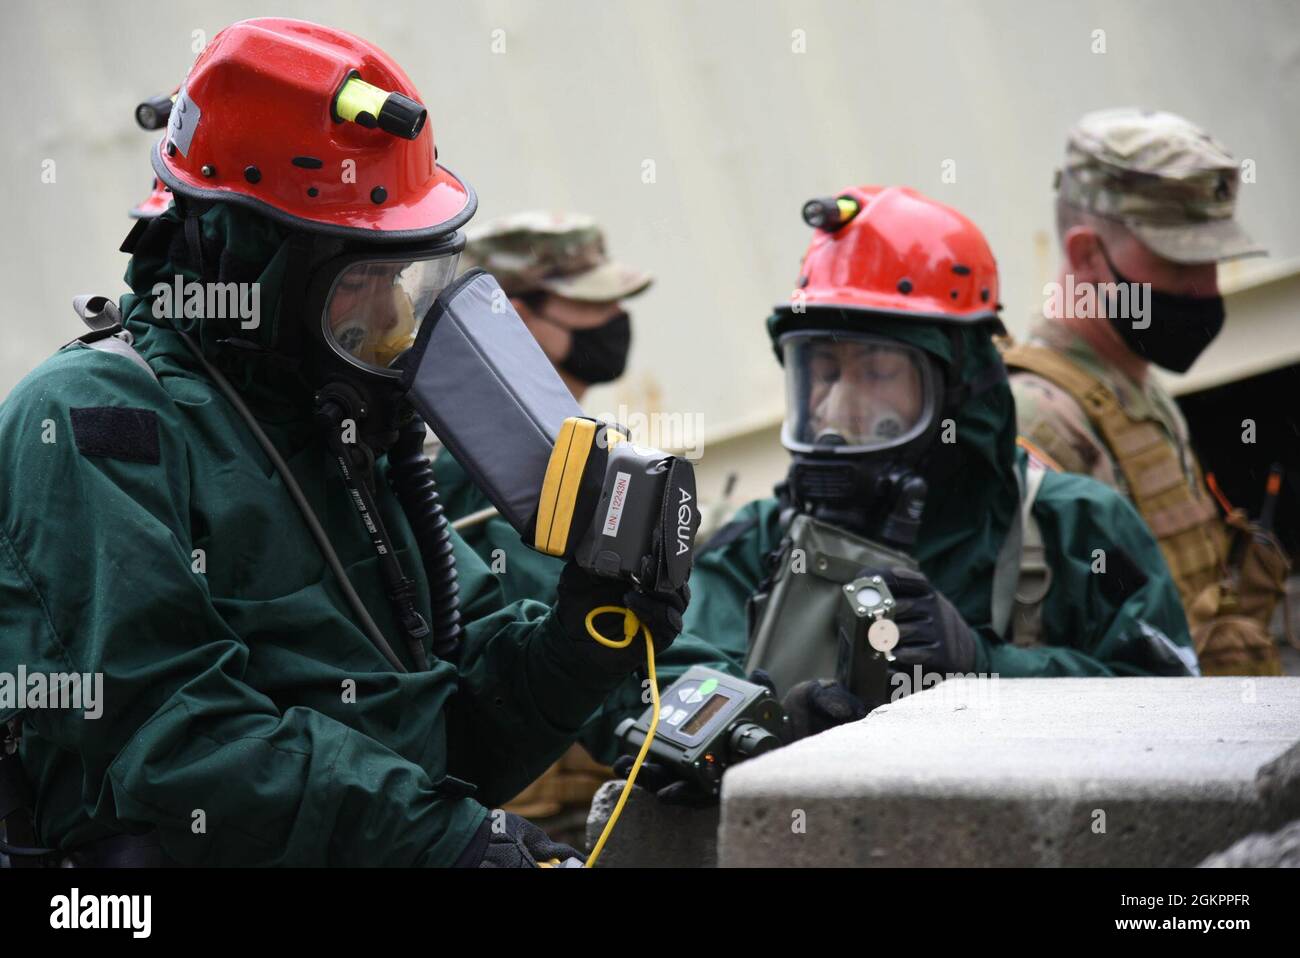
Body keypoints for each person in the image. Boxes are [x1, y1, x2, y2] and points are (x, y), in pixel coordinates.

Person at [0, 18, 688, 867]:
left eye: (404, 276)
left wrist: (589, 630)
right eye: (361, 280)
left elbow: (456, 731)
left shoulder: (335, 420)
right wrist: (444, 843)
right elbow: (169, 739)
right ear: (242, 259)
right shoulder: (97, 419)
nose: (393, 318)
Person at [681, 184, 1198, 741]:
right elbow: (654, 688)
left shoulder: (1077, 527)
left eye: (875, 373)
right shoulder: (759, 541)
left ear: (958, 387)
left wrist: (986, 667)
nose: (834, 410)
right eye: (823, 371)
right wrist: (764, 733)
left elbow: (1175, 707)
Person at [429, 213, 742, 835]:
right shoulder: (488, 471)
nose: (615, 320)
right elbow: (594, 629)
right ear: (513, 318)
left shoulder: (569, 443)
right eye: (590, 304)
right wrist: (726, 708)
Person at [1002, 108, 1290, 676]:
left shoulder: (1136, 387)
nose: (1206, 287)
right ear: (1087, 256)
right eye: (1179, 262)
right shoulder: (1039, 421)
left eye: (1212, 260)